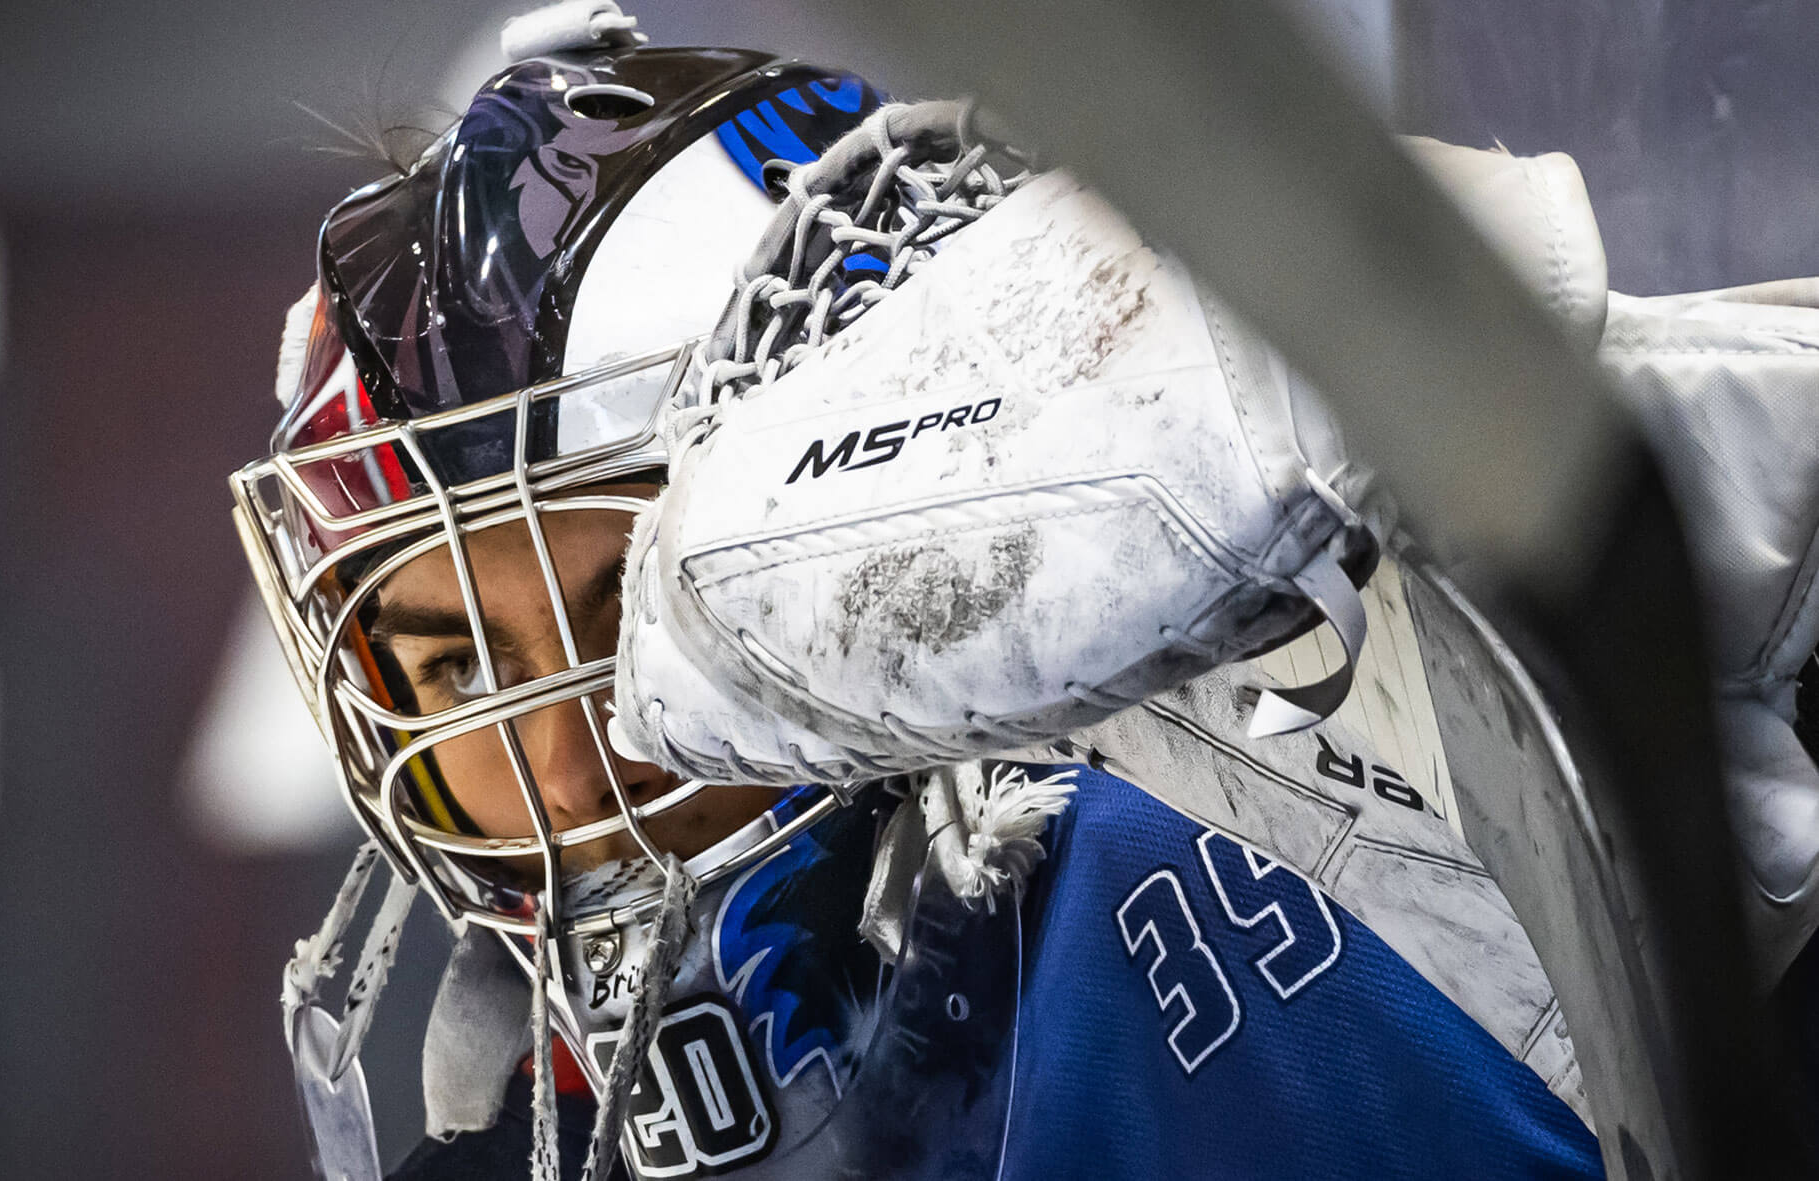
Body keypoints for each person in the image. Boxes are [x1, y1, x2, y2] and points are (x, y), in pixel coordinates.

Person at [223, 7, 1717, 1180]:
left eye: (624, 610)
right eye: (459, 669)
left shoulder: (1195, 887)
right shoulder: (508, 1103)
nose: (564, 765)